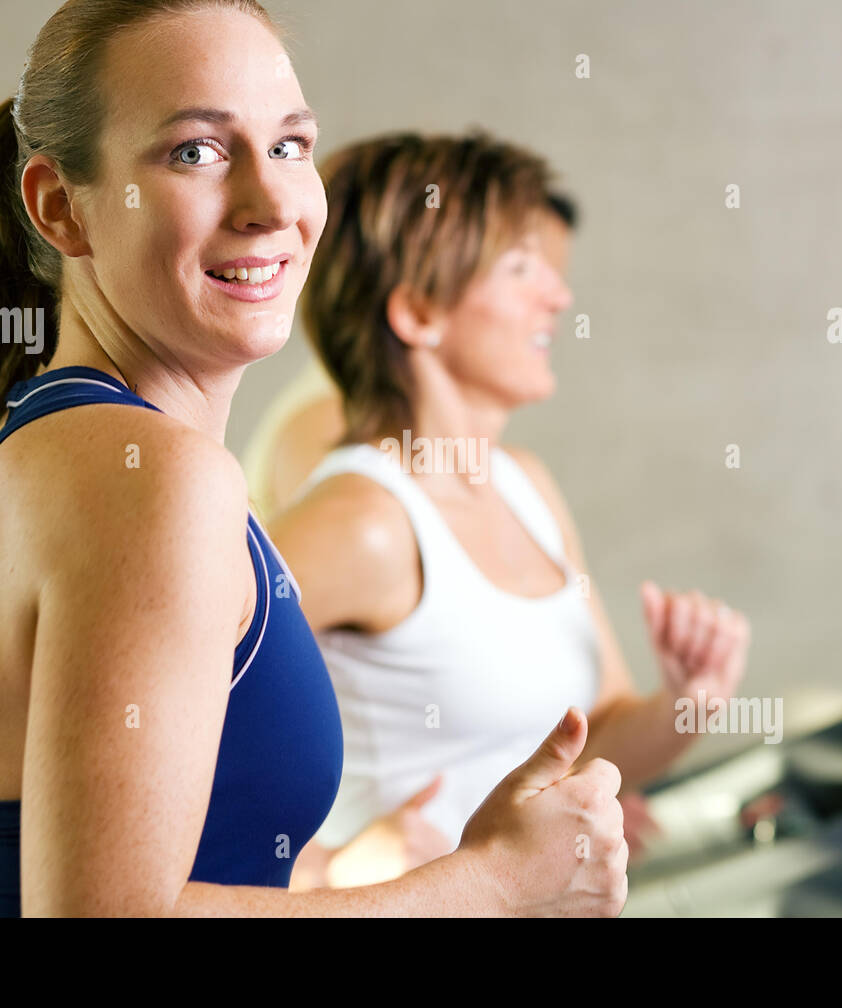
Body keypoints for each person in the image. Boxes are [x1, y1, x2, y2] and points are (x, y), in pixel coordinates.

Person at [0, 0, 628, 917]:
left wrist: (300, 881)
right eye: (196, 151)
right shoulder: (152, 480)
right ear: (61, 208)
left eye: (291, 145)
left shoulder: (66, 451)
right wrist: (489, 884)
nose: (272, 205)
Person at [239, 133, 752, 889]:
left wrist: (689, 701)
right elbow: (148, 720)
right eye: (520, 269)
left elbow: (597, 741)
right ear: (417, 311)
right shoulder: (362, 522)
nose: (559, 295)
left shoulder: (527, 486)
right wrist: (326, 871)